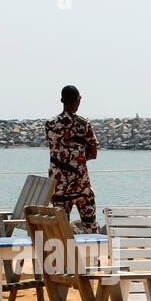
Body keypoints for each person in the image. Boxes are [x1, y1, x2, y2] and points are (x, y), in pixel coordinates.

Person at [45, 84, 99, 232]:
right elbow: (93, 153)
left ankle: (62, 255)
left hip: (58, 185)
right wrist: (77, 159)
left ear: (62, 100)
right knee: (90, 225)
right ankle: (92, 253)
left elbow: (53, 149)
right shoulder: (84, 125)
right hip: (80, 185)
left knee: (60, 230)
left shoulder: (50, 125)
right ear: (77, 100)